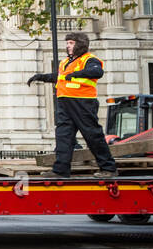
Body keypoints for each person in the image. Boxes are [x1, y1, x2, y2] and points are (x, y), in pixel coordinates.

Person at [27, 32, 118, 178]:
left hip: (82, 102)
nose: (68, 46)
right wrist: (42, 77)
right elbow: (60, 77)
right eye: (67, 43)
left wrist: (77, 75)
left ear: (80, 44)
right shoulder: (65, 62)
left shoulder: (89, 59)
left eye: (71, 43)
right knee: (63, 136)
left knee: (93, 135)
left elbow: (97, 72)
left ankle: (109, 168)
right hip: (64, 103)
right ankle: (60, 170)